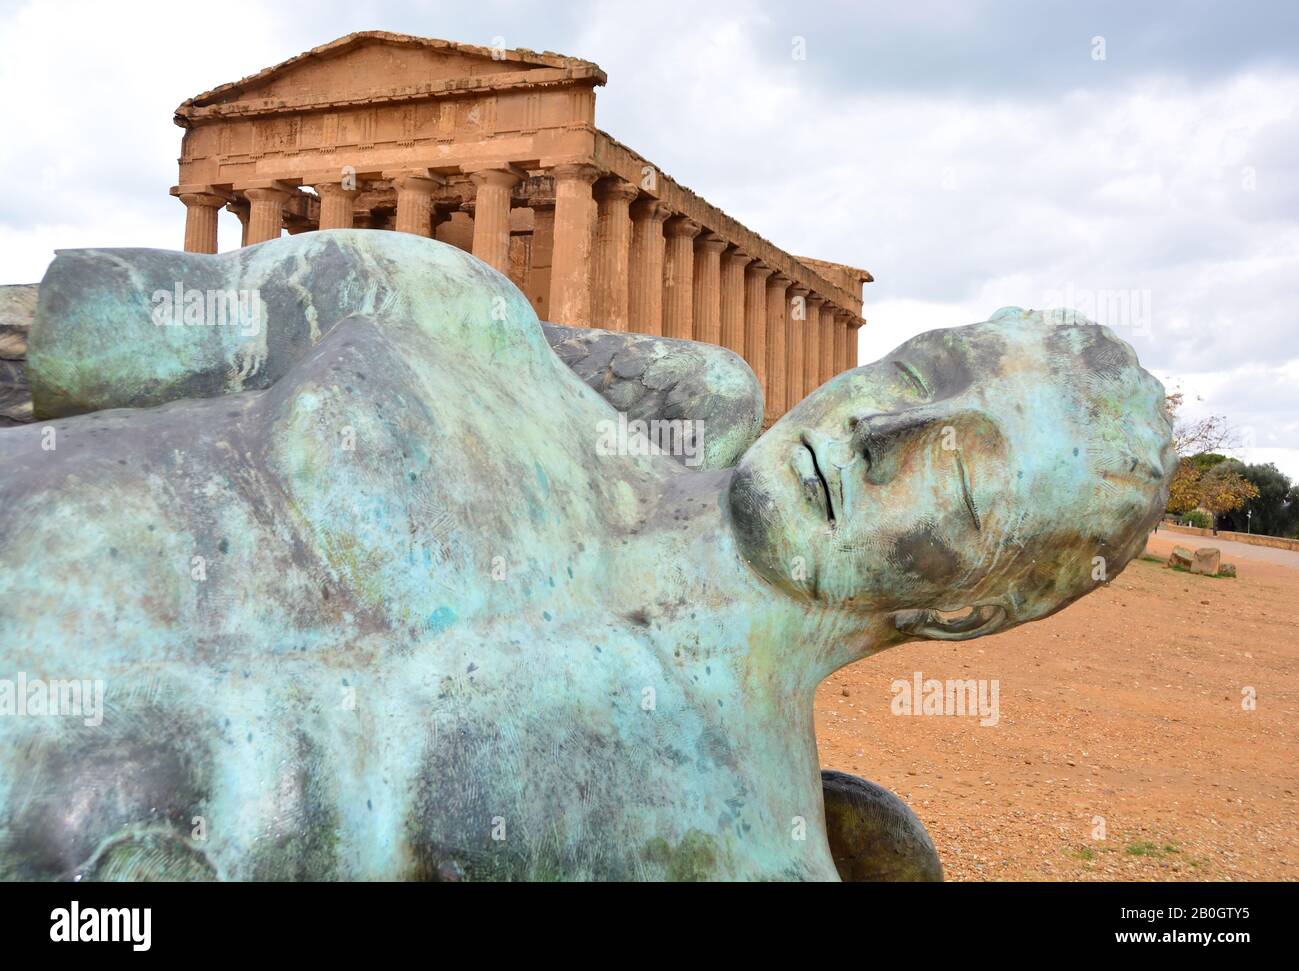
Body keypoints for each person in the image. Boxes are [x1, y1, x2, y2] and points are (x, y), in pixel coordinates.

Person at [0, 231, 1174, 880]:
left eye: (956, 479)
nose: (880, 433)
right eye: (914, 373)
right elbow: (81, 333)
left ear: (976, 609)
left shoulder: (743, 855)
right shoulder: (468, 320)